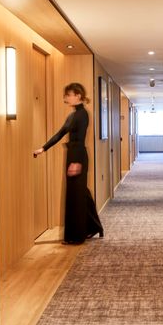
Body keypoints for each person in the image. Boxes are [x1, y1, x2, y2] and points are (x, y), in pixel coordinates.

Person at [34, 82, 103, 244]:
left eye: (69, 94)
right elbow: (60, 134)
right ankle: (93, 227)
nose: (66, 98)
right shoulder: (72, 115)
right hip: (72, 155)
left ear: (78, 95)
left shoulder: (83, 114)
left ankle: (77, 236)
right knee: (80, 194)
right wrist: (43, 149)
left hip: (77, 156)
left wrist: (76, 163)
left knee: (76, 197)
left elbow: (79, 139)